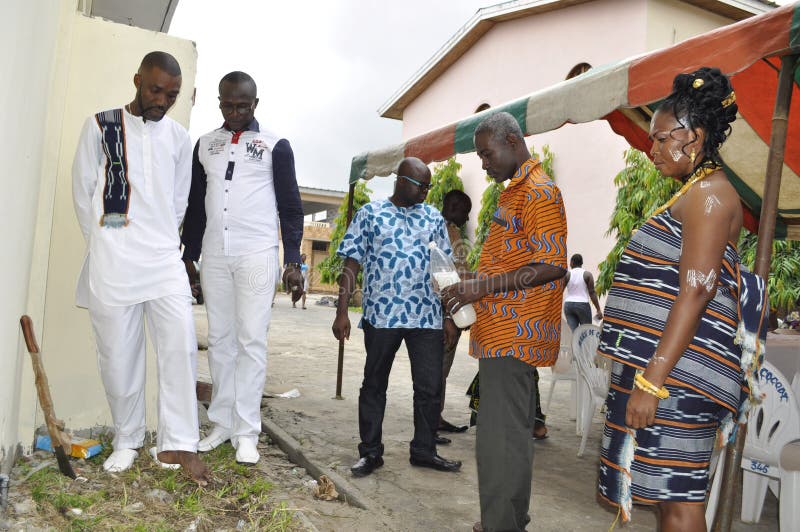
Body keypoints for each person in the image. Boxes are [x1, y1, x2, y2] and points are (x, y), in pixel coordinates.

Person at [596, 67, 768, 530]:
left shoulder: (710, 196)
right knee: (667, 498)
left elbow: (697, 288)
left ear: (693, 138)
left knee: (679, 502)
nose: (651, 150)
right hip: (675, 372)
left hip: (680, 378)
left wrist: (651, 381)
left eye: (659, 138)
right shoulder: (697, 193)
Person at [72, 51, 210, 484]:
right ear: (137, 80)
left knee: (181, 346)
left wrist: (163, 243)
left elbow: (178, 201)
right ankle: (127, 440)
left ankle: (179, 444)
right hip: (113, 261)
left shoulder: (179, 138)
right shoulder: (100, 125)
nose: (162, 100)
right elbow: (82, 193)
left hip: (162, 260)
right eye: (155, 90)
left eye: (171, 94)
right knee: (118, 356)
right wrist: (107, 244)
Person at [442, 112, 568, 531]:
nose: (483, 163)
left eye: (486, 153)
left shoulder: (540, 192)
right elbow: (511, 263)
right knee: (506, 434)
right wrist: (475, 282)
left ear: (513, 141)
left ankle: (500, 524)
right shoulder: (513, 192)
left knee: (500, 437)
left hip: (518, 332)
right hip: (498, 330)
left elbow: (551, 265)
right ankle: (506, 518)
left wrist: (484, 286)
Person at [181, 71, 303, 465]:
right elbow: (197, 207)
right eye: (227, 105)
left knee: (251, 340)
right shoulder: (206, 145)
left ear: (255, 104)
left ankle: (246, 430)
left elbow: (290, 207)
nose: (235, 112)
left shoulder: (275, 146)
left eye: (242, 105)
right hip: (216, 255)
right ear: (219, 103)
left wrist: (294, 260)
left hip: (256, 253)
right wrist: (189, 256)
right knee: (220, 340)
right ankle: (221, 423)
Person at [332, 156, 462, 478]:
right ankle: (371, 453)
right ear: (401, 180)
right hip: (382, 315)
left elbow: (444, 270)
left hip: (426, 317)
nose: (427, 193)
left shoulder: (433, 218)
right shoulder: (370, 214)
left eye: (429, 187)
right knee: (374, 385)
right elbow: (352, 264)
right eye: (422, 186)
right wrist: (341, 310)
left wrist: (448, 315)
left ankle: (423, 450)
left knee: (429, 388)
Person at [438, 190, 472, 435]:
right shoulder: (443, 231)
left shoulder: (452, 230)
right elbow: (446, 277)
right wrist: (452, 315)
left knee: (441, 368)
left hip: (453, 310)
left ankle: (434, 417)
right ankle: (431, 421)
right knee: (438, 367)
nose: (467, 218)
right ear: (453, 207)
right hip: (445, 312)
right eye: (465, 212)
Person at [562, 253, 602, 331]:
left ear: (572, 262)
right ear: (582, 263)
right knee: (586, 332)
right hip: (582, 305)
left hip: (568, 305)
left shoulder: (567, 275)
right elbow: (592, 293)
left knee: (573, 332)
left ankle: (573, 343)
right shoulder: (587, 275)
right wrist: (598, 309)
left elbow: (560, 291)